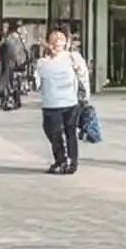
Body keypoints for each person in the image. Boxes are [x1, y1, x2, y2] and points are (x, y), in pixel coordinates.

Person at [36, 29, 89, 175]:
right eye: (54, 40)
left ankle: (70, 161)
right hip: (50, 103)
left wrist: (85, 98)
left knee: (67, 131)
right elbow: (37, 84)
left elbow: (84, 77)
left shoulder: (73, 58)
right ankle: (62, 160)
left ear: (66, 42)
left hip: (69, 102)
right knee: (54, 132)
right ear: (48, 43)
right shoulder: (42, 62)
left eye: (60, 39)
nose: (57, 43)